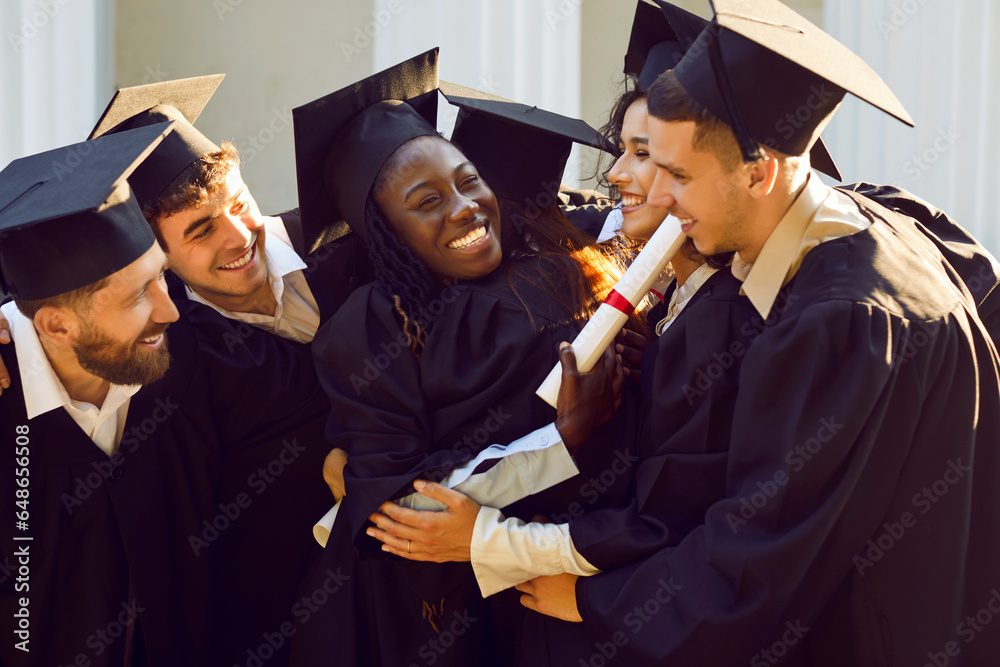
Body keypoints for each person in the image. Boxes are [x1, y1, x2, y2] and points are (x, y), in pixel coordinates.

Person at [516, 1, 1000, 664]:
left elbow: (760, 557)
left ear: (760, 170)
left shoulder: (842, 321)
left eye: (681, 176)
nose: (667, 198)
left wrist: (595, 601)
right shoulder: (858, 229)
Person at [287, 50, 634, 667]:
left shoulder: (553, 270)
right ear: (385, 233)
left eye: (468, 180)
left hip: (548, 582)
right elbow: (399, 514)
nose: (465, 206)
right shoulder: (371, 329)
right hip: (417, 622)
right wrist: (562, 441)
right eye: (426, 202)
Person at [0, 125, 329, 666]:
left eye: (162, 277)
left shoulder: (201, 353)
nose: (171, 308)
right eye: (138, 295)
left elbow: (333, 408)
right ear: (56, 327)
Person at [86, 75, 340, 665]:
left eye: (238, 203)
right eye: (200, 230)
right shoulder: (173, 350)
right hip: (269, 617)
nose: (237, 235)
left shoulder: (338, 249)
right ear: (156, 252)